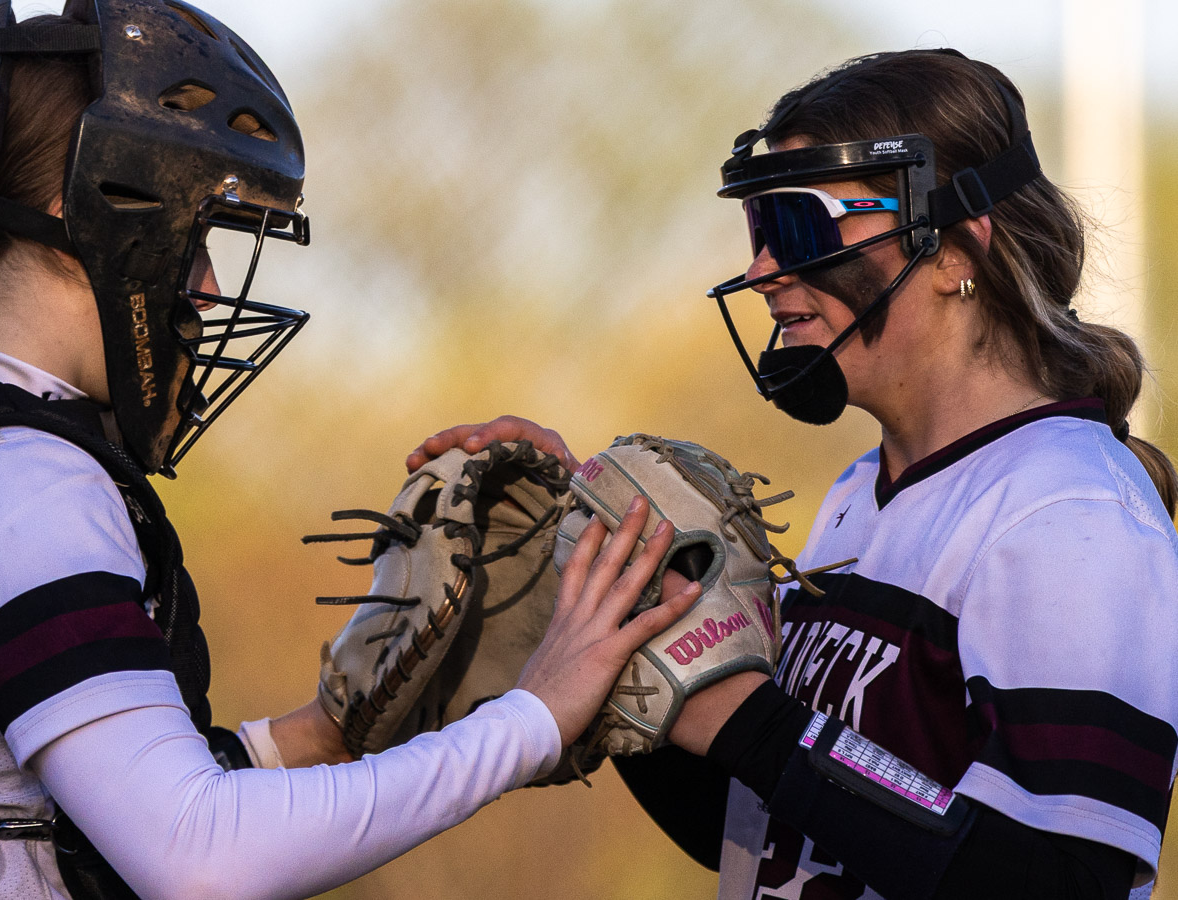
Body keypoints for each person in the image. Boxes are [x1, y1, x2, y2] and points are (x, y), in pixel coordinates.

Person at [0, 2, 703, 898]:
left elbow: (67, 801)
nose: (207, 288)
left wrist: (318, 733)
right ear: (98, 210)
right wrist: (535, 718)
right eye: (198, 236)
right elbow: (200, 856)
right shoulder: (13, 478)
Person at [409, 50, 1178, 899]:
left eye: (799, 224)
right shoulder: (861, 492)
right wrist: (620, 649)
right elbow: (761, 837)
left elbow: (1067, 881)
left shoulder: (1068, 512)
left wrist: (748, 721)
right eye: (758, 229)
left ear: (958, 247)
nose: (765, 271)